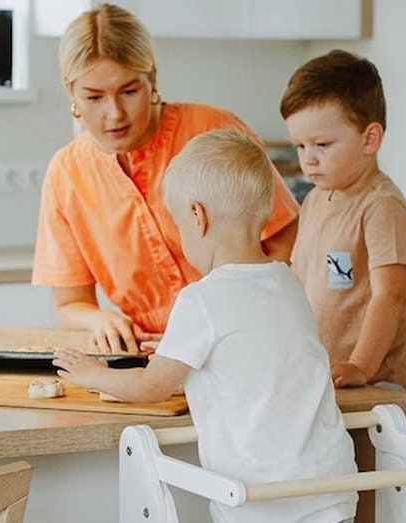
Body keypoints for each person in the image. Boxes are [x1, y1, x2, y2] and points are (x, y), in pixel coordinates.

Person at [54, 129, 358, 523]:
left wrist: (89, 374)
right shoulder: (286, 282)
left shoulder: (202, 300)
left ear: (196, 216)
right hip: (330, 491)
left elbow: (155, 386)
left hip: (265, 502)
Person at [33, 2, 300, 356]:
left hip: (243, 342)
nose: (114, 114)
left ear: (152, 80)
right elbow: (70, 305)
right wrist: (99, 320)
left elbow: (286, 246)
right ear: (72, 94)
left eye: (129, 91)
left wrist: (225, 319)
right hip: (150, 357)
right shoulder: (66, 173)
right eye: (94, 97)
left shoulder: (212, 129)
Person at [280, 49, 406, 396]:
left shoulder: (381, 206)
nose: (308, 160)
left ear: (369, 139)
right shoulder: (315, 200)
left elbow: (389, 296)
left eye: (322, 144)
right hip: (336, 378)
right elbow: (299, 282)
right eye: (300, 146)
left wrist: (361, 366)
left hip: (385, 383)